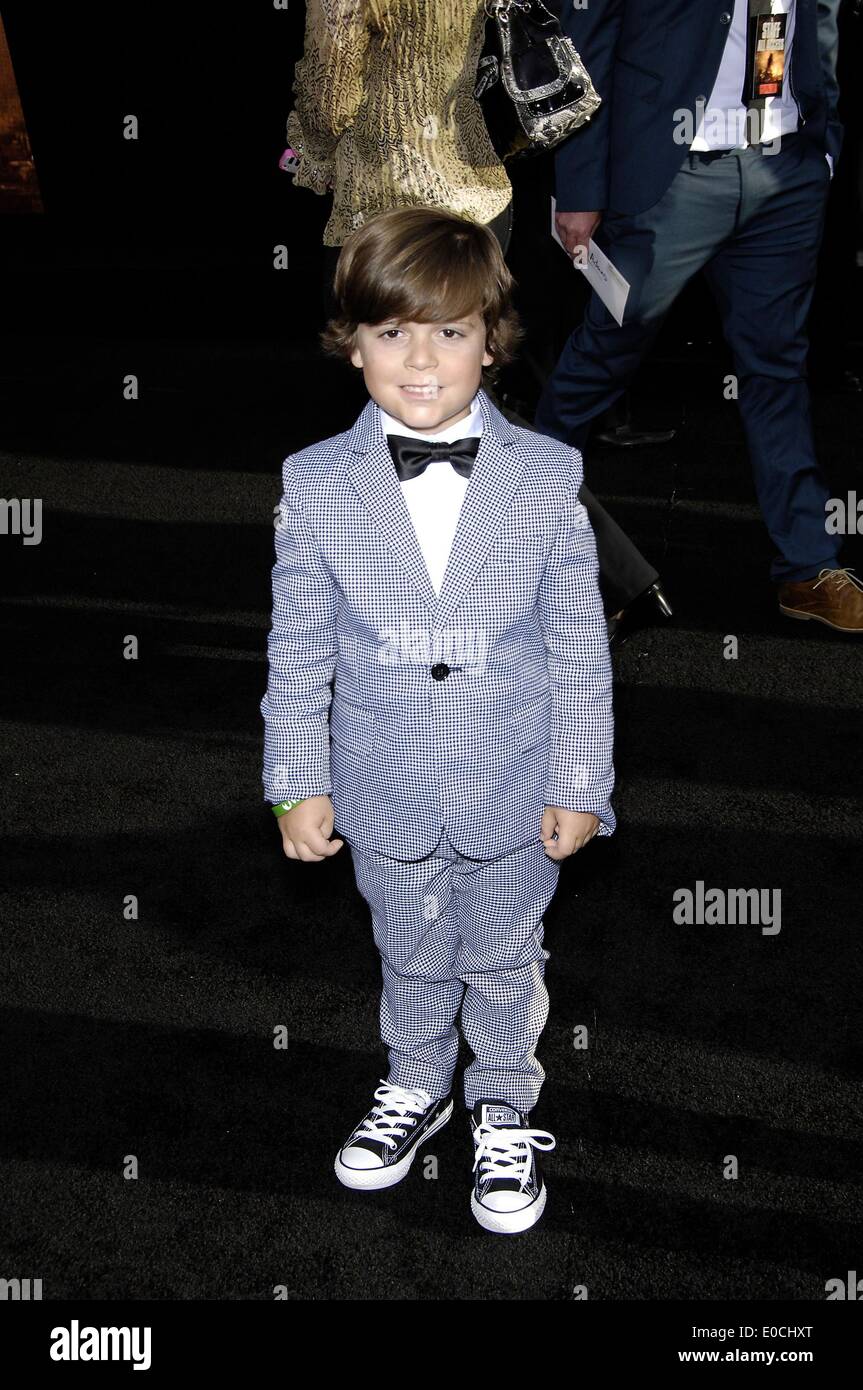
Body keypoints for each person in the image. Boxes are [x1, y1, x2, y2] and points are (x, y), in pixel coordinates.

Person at [260, 207, 615, 1234]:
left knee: (504, 957)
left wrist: (578, 783)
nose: (419, 359)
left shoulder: (548, 477)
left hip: (512, 777)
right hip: (382, 785)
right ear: (352, 342)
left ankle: (502, 1103)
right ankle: (415, 1085)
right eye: (391, 332)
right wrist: (295, 779)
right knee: (408, 948)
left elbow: (579, 650)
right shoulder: (314, 481)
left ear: (492, 341)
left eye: (450, 331)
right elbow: (298, 650)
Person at [284, 0, 670, 628]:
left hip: (392, 210)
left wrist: (306, 149)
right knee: (452, 416)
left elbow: (331, 100)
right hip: (479, 197)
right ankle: (593, 579)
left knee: (417, 413)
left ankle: (580, 578)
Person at [536, 0, 863, 634]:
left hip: (786, 167)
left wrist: (823, 150)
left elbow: (819, 17)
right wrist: (579, 186)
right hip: (670, 172)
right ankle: (510, 543)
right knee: (600, 361)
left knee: (778, 369)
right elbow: (587, 40)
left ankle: (807, 567)